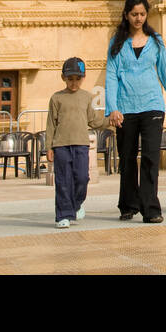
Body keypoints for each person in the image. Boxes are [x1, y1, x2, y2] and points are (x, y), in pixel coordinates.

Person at [105, 0, 166, 223]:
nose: (138, 18)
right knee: (126, 157)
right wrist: (112, 108)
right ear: (126, 15)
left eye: (142, 14)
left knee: (150, 158)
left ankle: (151, 208)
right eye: (134, 14)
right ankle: (127, 204)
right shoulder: (117, 42)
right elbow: (111, 76)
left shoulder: (155, 41)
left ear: (147, 15)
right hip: (125, 107)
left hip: (152, 106)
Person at [46, 57, 109, 228]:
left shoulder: (87, 97)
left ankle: (76, 204)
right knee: (63, 181)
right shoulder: (56, 98)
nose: (74, 83)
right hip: (61, 145)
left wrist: (110, 121)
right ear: (63, 78)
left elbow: (94, 121)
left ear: (83, 77)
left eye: (77, 78)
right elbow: (51, 123)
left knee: (82, 178)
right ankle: (63, 216)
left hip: (81, 144)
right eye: (70, 79)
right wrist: (49, 147)